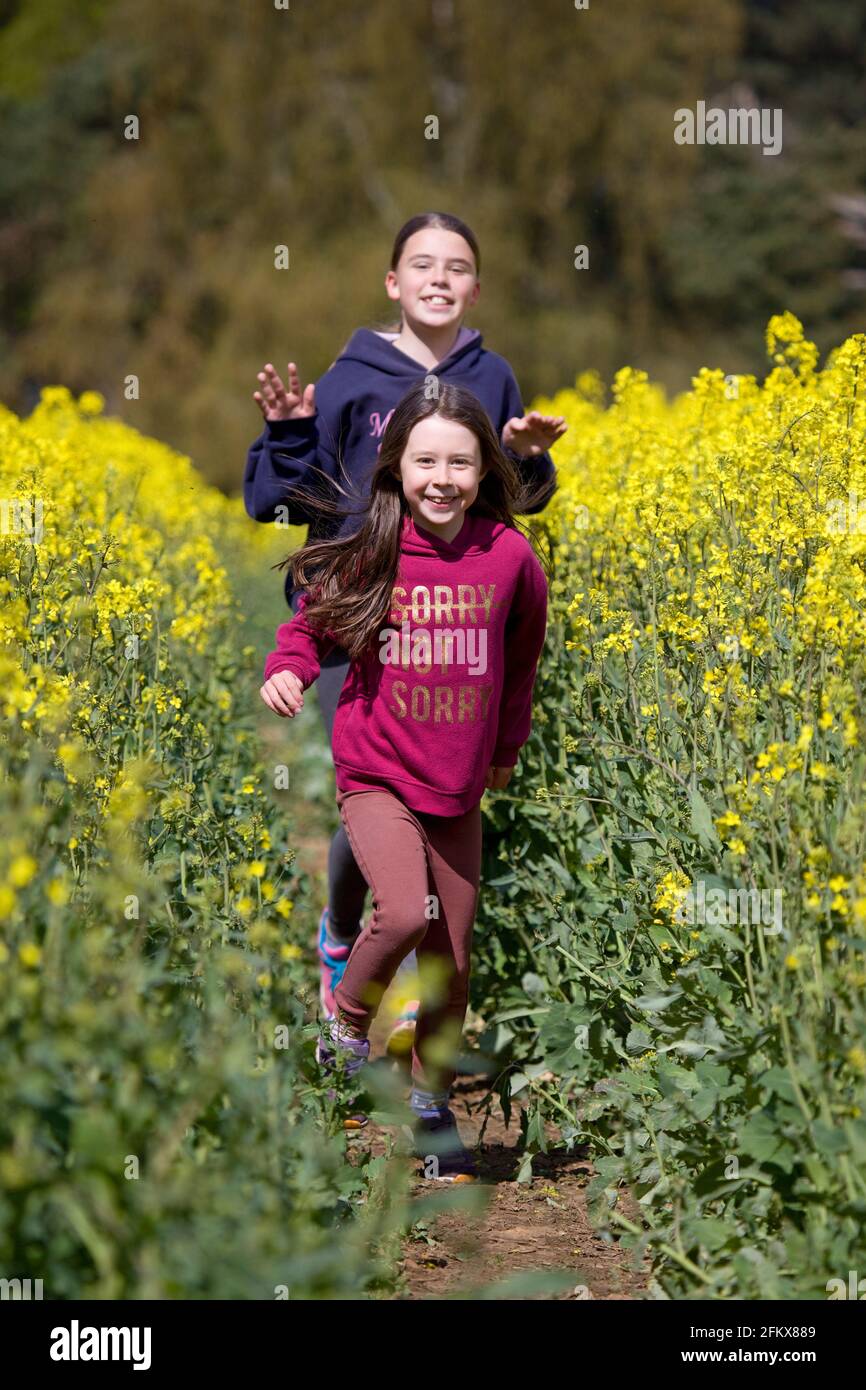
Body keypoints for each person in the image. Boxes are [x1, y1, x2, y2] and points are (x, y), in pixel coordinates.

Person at [245, 211, 566, 1059]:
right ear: (392, 281)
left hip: (452, 631)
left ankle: (422, 1068)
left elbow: (509, 500)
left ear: (476, 286)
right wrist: (284, 436)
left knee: (430, 848)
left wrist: (528, 458)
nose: (438, 276)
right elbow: (279, 500)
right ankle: (349, 927)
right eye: (421, 263)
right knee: (372, 804)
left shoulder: (492, 376)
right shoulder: (351, 379)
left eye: (457, 265)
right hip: (355, 617)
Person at [259, 381, 551, 1181]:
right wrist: (286, 671)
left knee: (451, 969)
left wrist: (506, 751)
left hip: (458, 788)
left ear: (485, 470)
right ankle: (347, 1027)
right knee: (401, 914)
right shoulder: (372, 551)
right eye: (426, 460)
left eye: (460, 461)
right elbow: (306, 628)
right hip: (377, 772)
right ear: (397, 470)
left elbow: (521, 665)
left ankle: (430, 1110)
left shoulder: (510, 558)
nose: (442, 477)